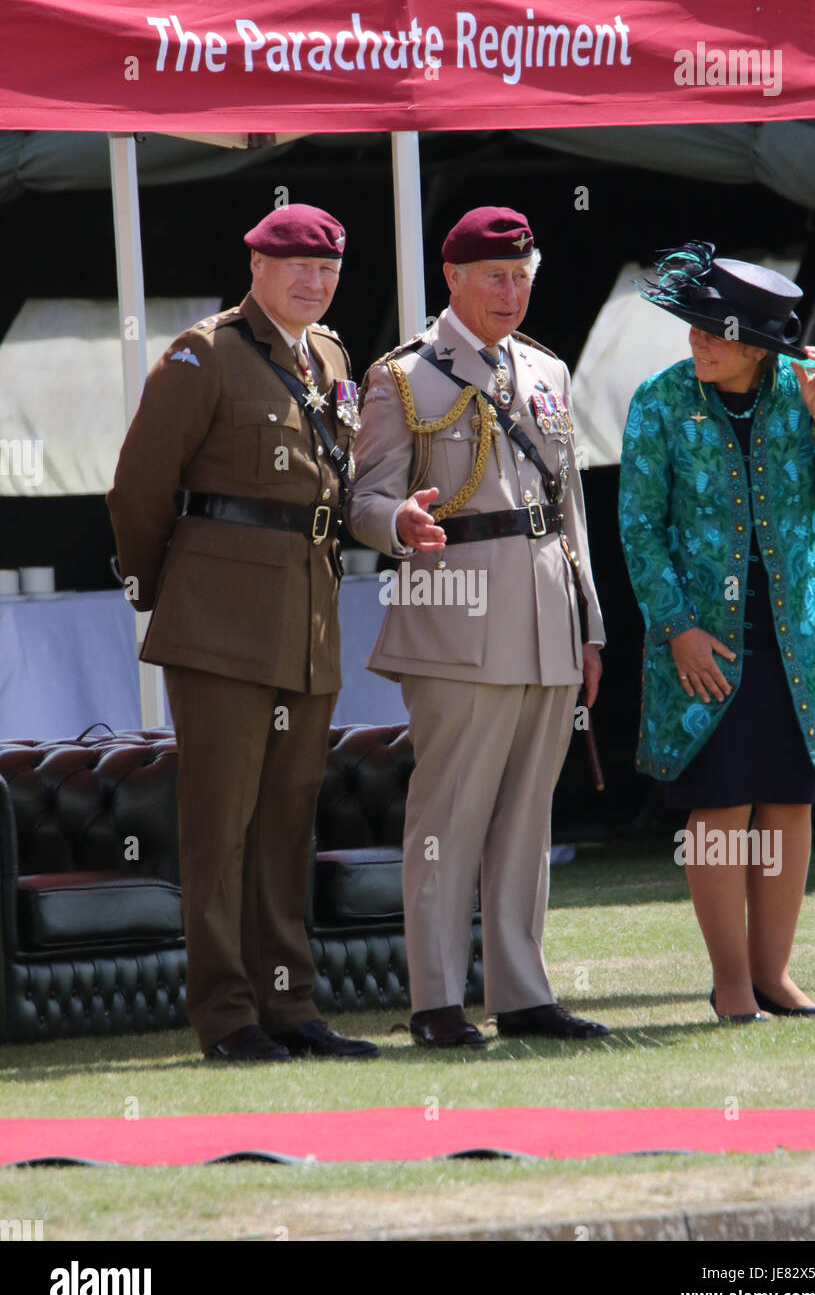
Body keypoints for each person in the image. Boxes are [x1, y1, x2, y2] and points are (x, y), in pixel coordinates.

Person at [107, 204, 378, 1062]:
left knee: (288, 822)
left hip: (307, 622)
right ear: (256, 266)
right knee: (219, 828)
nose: (314, 281)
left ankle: (289, 1006)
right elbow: (138, 490)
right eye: (296, 266)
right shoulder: (204, 354)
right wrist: (165, 590)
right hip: (219, 624)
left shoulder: (331, 355)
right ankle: (227, 1018)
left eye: (328, 269)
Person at [346, 206, 608, 1048]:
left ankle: (522, 993)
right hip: (456, 614)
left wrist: (590, 628)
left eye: (523, 274)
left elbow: (570, 511)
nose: (511, 290)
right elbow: (363, 496)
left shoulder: (547, 371)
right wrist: (397, 526)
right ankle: (435, 1002)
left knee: (529, 815)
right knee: (449, 814)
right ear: (453, 279)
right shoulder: (404, 376)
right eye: (494, 276)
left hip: (545, 617)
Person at [618, 241, 815, 1023]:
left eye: (713, 333)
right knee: (721, 808)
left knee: (789, 804)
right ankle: (730, 981)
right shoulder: (659, 403)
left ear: (757, 345)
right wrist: (678, 629)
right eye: (694, 329)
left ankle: (774, 976)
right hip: (706, 641)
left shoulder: (804, 390)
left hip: (796, 641)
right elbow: (639, 530)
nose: (697, 343)